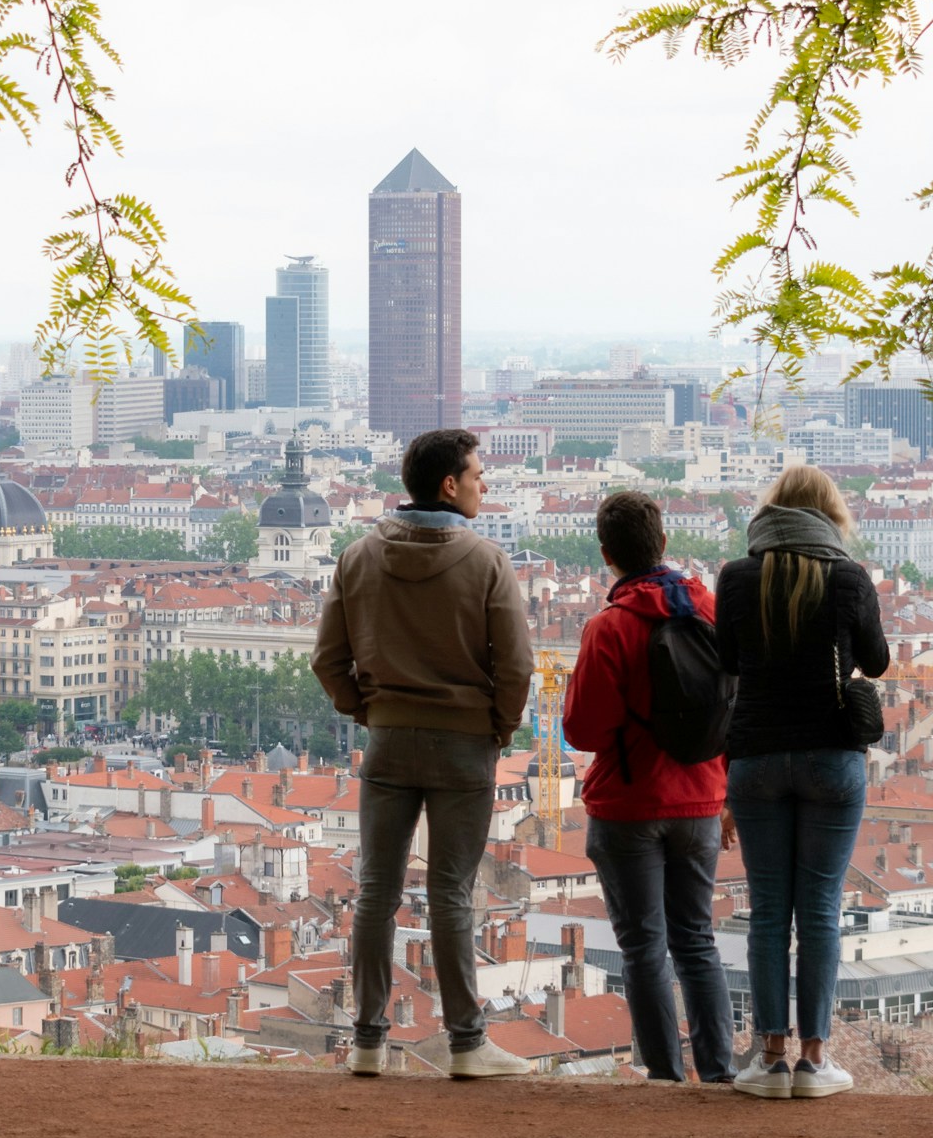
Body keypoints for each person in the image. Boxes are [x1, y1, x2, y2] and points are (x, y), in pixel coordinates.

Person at [314, 427, 535, 1079]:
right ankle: (466, 1044)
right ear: (449, 484)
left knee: (376, 890)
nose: (482, 484)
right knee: (450, 894)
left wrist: (369, 709)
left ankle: (366, 1041)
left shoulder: (357, 556)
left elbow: (328, 659)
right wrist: (498, 727)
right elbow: (517, 666)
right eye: (476, 474)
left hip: (388, 738)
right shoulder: (486, 561)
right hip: (465, 743)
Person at [714, 463, 890, 1099]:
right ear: (830, 515)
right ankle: (815, 1060)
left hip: (756, 756)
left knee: (767, 912)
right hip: (830, 754)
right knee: (818, 910)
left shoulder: (736, 577)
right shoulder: (847, 577)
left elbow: (727, 662)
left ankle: (768, 1058)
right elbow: (876, 660)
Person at [561, 489, 733, 1084]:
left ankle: (665, 1076)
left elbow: (583, 731)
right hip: (702, 796)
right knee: (697, 943)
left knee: (644, 949)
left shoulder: (609, 627)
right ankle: (718, 1071)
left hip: (628, 801)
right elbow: (734, 705)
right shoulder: (708, 608)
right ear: (663, 542)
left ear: (607, 554)